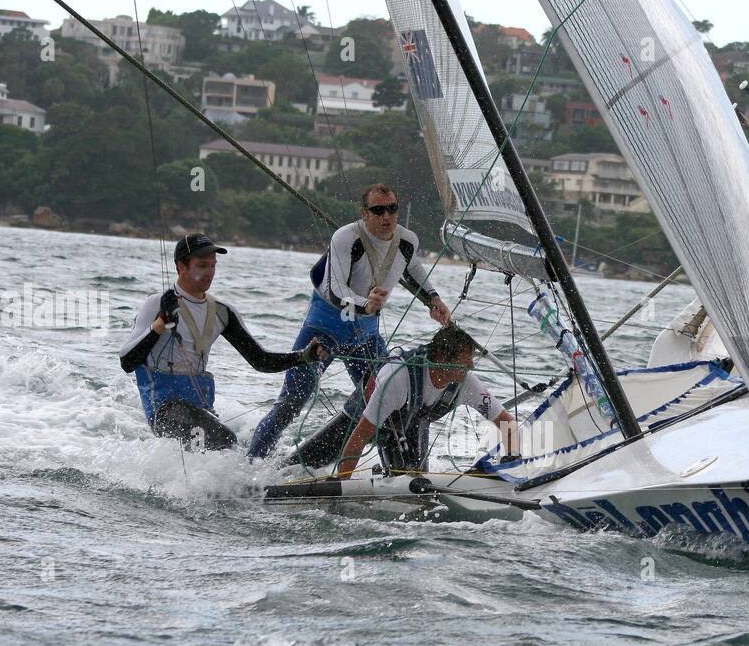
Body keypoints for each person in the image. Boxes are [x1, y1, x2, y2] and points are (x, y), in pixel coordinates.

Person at [246, 184, 451, 460]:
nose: (386, 216)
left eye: (392, 209)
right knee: (292, 403)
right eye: (378, 210)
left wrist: (434, 301)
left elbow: (414, 271)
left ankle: (391, 470)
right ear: (364, 213)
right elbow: (334, 288)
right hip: (324, 328)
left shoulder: (407, 241)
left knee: (386, 400)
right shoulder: (346, 237)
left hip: (365, 335)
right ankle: (251, 465)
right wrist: (364, 304)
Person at [119, 233, 324, 450]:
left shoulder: (222, 312)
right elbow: (127, 362)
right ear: (181, 267)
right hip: (163, 409)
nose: (209, 273)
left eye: (213, 266)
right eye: (202, 265)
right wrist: (160, 323)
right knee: (223, 440)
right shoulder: (156, 303)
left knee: (226, 444)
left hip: (200, 408)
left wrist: (303, 356)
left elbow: (260, 360)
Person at [332, 324, 519, 477]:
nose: (471, 365)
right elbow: (361, 436)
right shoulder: (398, 378)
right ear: (442, 358)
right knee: (308, 463)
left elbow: (507, 423)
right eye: (465, 359)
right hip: (358, 417)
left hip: (407, 428)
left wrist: (511, 461)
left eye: (471, 358)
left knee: (419, 486)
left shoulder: (466, 383)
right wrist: (342, 487)